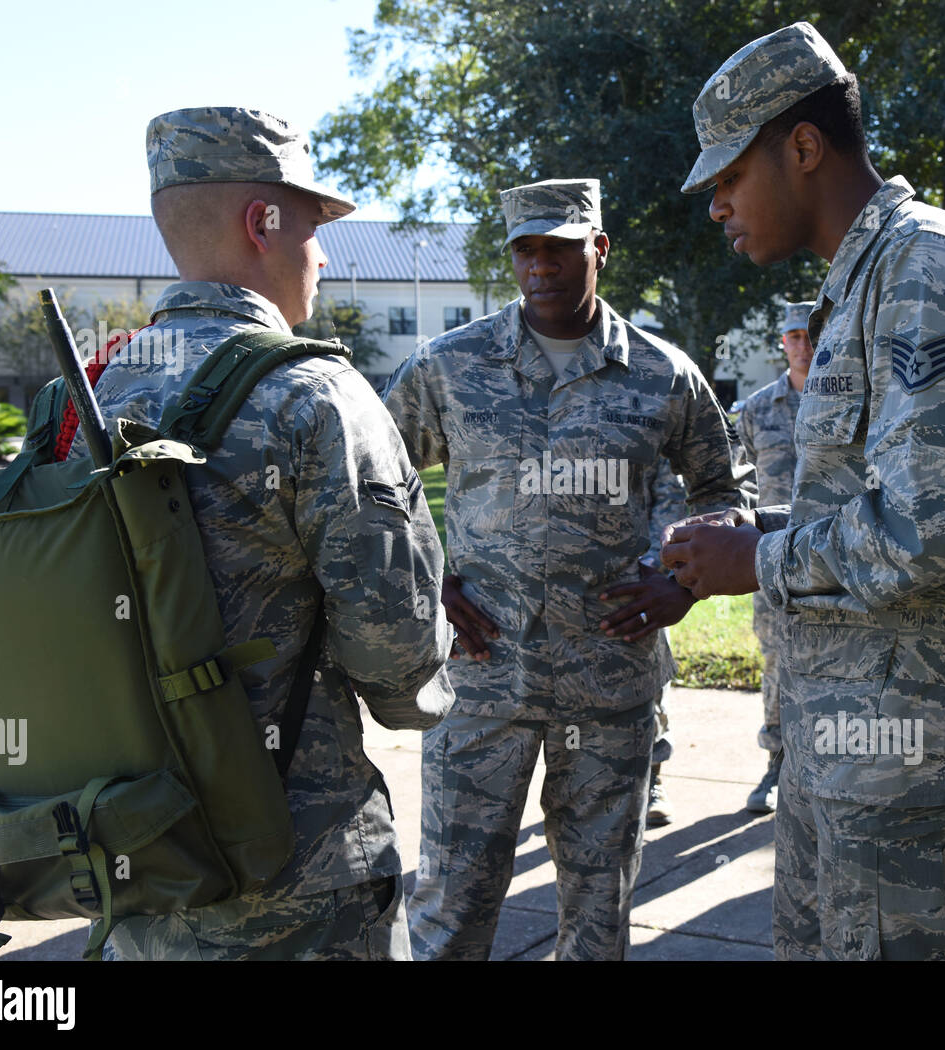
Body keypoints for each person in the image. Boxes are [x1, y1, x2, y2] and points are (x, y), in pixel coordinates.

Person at [663, 23, 945, 961]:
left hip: (910, 759)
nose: (717, 206)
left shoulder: (926, 266)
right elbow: (885, 495)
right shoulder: (861, 282)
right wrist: (754, 532)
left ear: (803, 147)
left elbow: (942, 525)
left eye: (730, 178)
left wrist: (759, 559)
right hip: (850, 743)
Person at [72, 106, 454, 960]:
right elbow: (397, 658)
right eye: (315, 228)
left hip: (129, 857)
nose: (322, 255)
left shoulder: (76, 399)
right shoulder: (315, 394)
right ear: (262, 223)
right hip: (293, 876)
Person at [383, 178, 756, 960]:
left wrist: (680, 582)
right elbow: (380, 484)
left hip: (610, 680)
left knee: (597, 916)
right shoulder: (451, 366)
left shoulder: (661, 373)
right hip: (483, 683)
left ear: (600, 250)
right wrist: (434, 578)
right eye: (526, 248)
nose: (541, 265)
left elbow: (724, 490)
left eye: (560, 247)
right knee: (451, 909)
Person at [738, 300, 814, 814]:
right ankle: (776, 764)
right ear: (781, 343)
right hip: (774, 563)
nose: (803, 346)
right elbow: (733, 483)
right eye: (794, 337)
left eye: (812, 335)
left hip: (839, 557)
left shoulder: (858, 401)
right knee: (776, 665)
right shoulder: (757, 409)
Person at [642, 459, 689, 827]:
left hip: (633, 585)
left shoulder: (646, 401)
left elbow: (670, 492)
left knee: (651, 687)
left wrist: (650, 572)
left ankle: (653, 776)